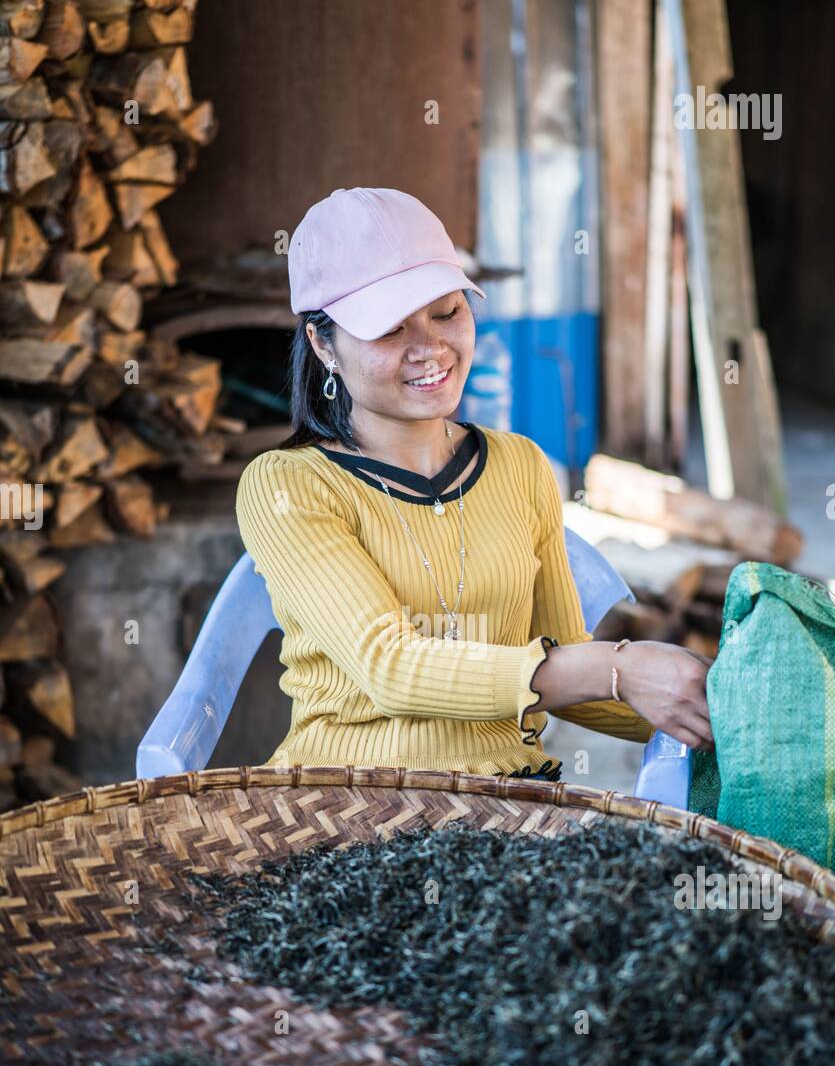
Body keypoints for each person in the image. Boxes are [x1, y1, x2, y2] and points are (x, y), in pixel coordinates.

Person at [235, 187, 712, 783]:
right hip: (343, 805)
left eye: (447, 312)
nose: (431, 348)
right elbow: (391, 668)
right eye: (389, 329)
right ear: (321, 342)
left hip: (509, 800)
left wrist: (712, 699)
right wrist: (621, 667)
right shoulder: (287, 486)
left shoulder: (520, 466)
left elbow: (567, 667)